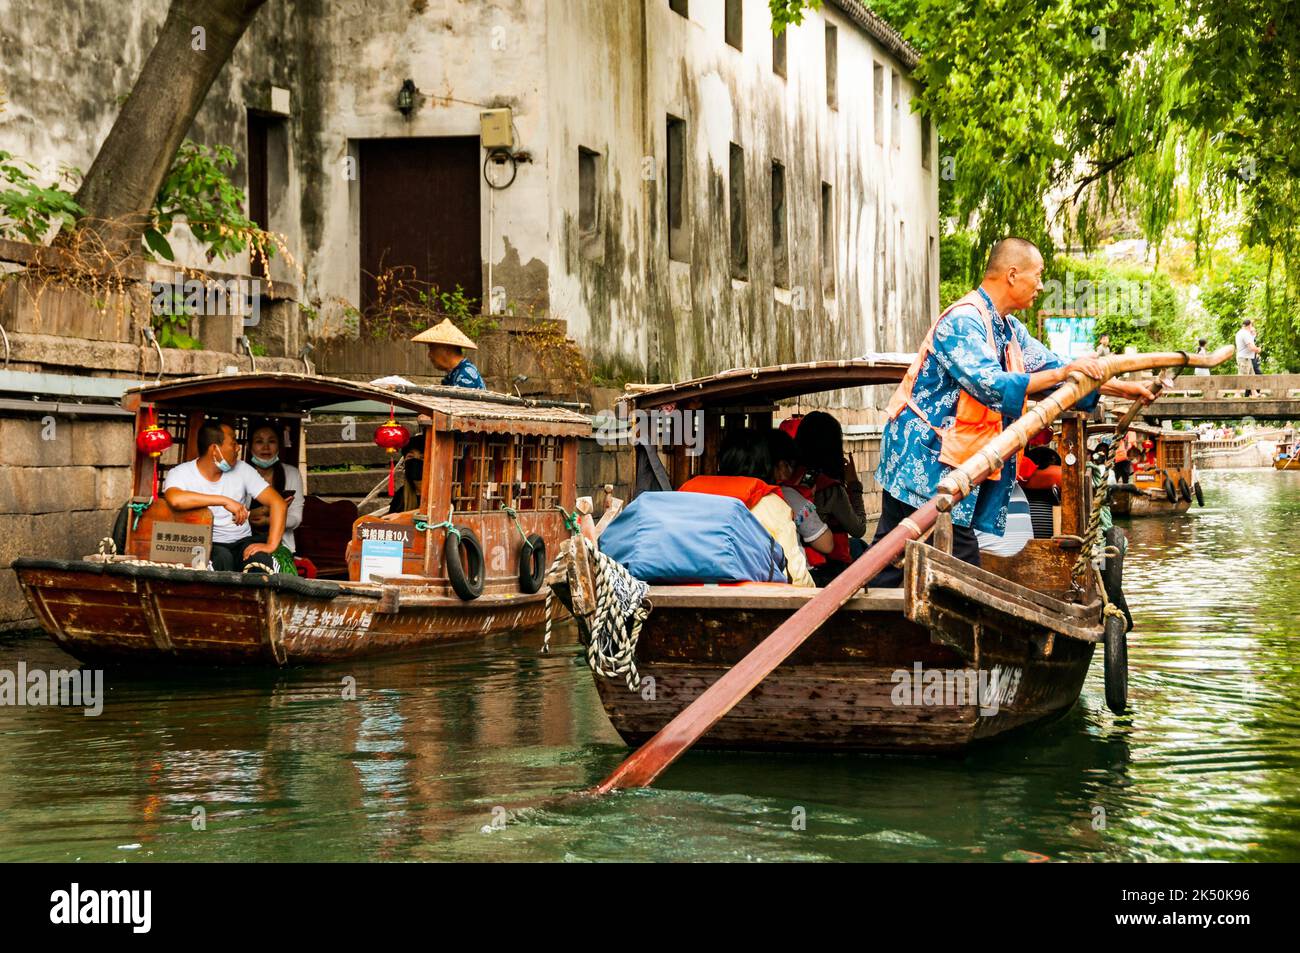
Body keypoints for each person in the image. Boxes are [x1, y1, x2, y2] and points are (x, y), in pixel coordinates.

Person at [869, 237, 1155, 586]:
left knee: (891, 556)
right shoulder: (963, 321)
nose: (1040, 286)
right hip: (923, 461)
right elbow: (990, 384)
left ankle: (864, 616)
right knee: (946, 560)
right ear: (1013, 274)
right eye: (1038, 276)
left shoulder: (1009, 330)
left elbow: (1061, 369)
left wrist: (1120, 387)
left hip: (951, 464)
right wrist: (1064, 374)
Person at [679, 430, 815, 588]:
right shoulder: (773, 505)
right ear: (767, 463)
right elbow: (796, 575)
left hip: (685, 590)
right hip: (750, 598)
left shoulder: (688, 496)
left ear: (722, 461)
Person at [163, 421, 287, 572]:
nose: (238, 448)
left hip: (242, 543)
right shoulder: (181, 473)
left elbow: (278, 503)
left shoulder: (243, 470)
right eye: (233, 443)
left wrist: (271, 545)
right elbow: (175, 499)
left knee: (262, 563)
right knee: (221, 559)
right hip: (205, 544)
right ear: (215, 449)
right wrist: (224, 501)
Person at [793, 411, 868, 582]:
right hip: (826, 565)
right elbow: (859, 528)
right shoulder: (830, 489)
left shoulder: (790, 479)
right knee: (861, 547)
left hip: (798, 555)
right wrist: (854, 484)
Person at [766, 428, 834, 566]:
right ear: (781, 465)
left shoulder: (733, 496)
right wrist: (808, 504)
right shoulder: (789, 496)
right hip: (793, 578)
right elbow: (826, 544)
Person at [246, 421, 304, 555]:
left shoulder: (292, 474)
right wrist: (251, 515)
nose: (266, 447)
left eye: (271, 441)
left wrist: (269, 519)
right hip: (244, 543)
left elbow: (296, 518)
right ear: (249, 446)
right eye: (259, 442)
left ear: (279, 446)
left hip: (282, 546)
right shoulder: (240, 473)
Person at [411, 318, 486, 389]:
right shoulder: (456, 373)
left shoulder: (464, 376)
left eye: (432, 349)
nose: (429, 355)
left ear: (447, 349)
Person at [388, 430, 428, 513]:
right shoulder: (401, 495)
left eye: (422, 458)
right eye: (410, 456)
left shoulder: (441, 494)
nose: (415, 461)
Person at [1236, 318, 1260, 395]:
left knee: (1251, 376)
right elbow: (1251, 347)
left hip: (1246, 358)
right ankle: (1237, 394)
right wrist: (1258, 350)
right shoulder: (1245, 333)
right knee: (1243, 377)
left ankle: (1254, 393)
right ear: (1249, 325)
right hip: (1244, 358)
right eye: (1251, 325)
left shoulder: (1240, 332)